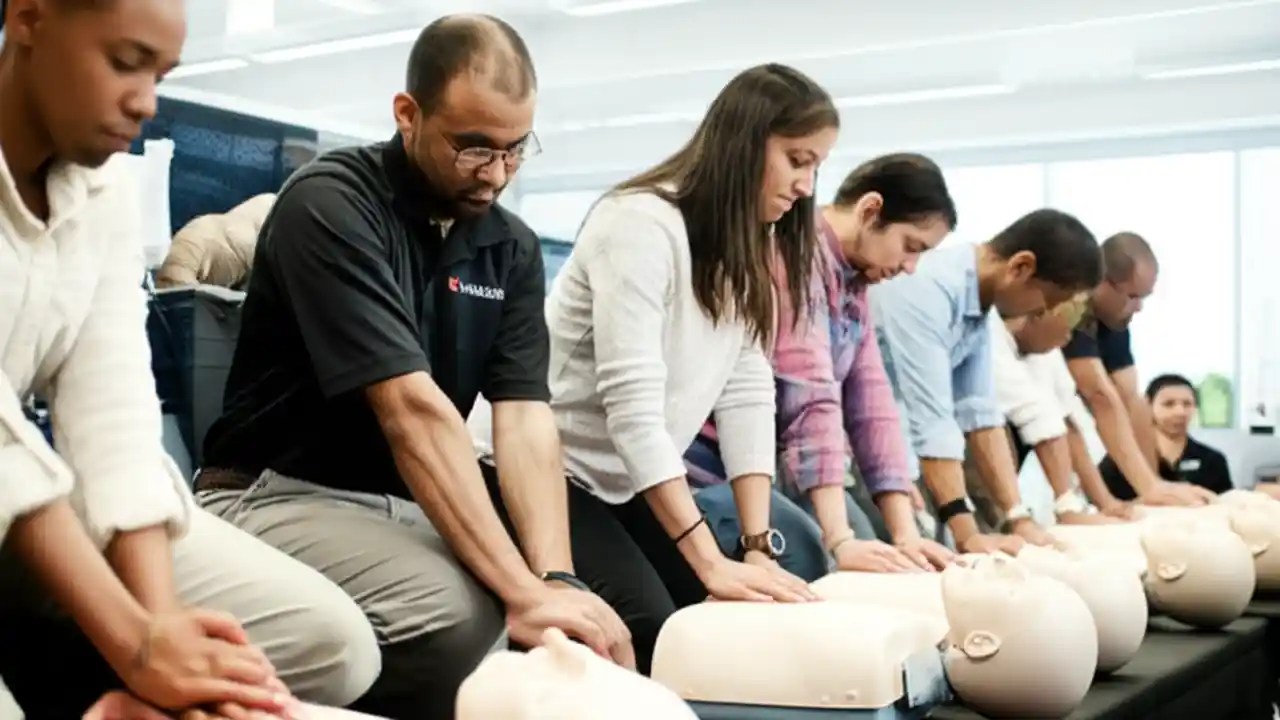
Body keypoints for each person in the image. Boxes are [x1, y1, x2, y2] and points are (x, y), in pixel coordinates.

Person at [197, 14, 632, 718]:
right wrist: (523, 595)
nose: (495, 175)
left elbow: (524, 421)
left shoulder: (509, 248)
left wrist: (556, 579)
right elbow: (412, 411)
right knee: (466, 614)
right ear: (408, 114)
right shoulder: (331, 203)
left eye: (516, 151)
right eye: (473, 149)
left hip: (401, 506)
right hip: (273, 492)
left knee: (563, 611)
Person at [0, 1, 381, 718]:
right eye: (124, 62)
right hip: (14, 494)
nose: (147, 101)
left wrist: (162, 624)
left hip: (39, 507)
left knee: (334, 645)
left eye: (162, 72)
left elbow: (113, 414)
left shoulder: (103, 185)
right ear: (29, 17)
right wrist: (136, 646)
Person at [535, 62, 834, 663]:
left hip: (622, 482)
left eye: (815, 168)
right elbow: (633, 412)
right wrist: (708, 562)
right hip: (545, 470)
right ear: (746, 142)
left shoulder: (750, 240)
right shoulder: (640, 224)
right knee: (657, 626)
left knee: (731, 606)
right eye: (797, 159)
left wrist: (754, 548)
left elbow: (748, 392)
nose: (806, 185)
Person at [686, 153, 959, 576]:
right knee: (814, 555)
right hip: (706, 470)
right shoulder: (797, 253)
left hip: (765, 468)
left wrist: (906, 533)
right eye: (910, 247)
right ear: (870, 211)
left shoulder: (853, 280)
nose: (909, 267)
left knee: (880, 548)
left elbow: (872, 403)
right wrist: (840, 540)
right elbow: (809, 398)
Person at [870, 209, 1103, 555]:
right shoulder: (927, 287)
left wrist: (1017, 517)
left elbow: (979, 412)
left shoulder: (978, 303)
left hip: (904, 457)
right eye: (1045, 304)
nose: (1039, 315)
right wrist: (967, 532)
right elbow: (932, 419)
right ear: (1021, 267)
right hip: (860, 453)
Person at [1063, 232, 1214, 506]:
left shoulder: (1116, 320)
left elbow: (1131, 400)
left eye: (1144, 297)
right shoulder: (1073, 309)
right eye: (1132, 296)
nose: (1139, 307)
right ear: (1101, 282)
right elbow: (1100, 397)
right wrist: (1147, 488)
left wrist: (1153, 486)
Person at [990, 298, 1132, 523]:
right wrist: (1064, 507)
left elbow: (1065, 414)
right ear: (1039, 314)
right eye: (1069, 327)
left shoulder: (1045, 349)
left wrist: (1104, 502)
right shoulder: (991, 334)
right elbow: (1033, 412)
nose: (1068, 339)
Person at [1098, 374, 1233, 499]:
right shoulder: (1124, 459)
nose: (1180, 412)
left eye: (1187, 404)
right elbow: (1104, 506)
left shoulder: (1213, 460)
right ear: (1148, 406)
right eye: (1168, 404)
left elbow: (1224, 505)